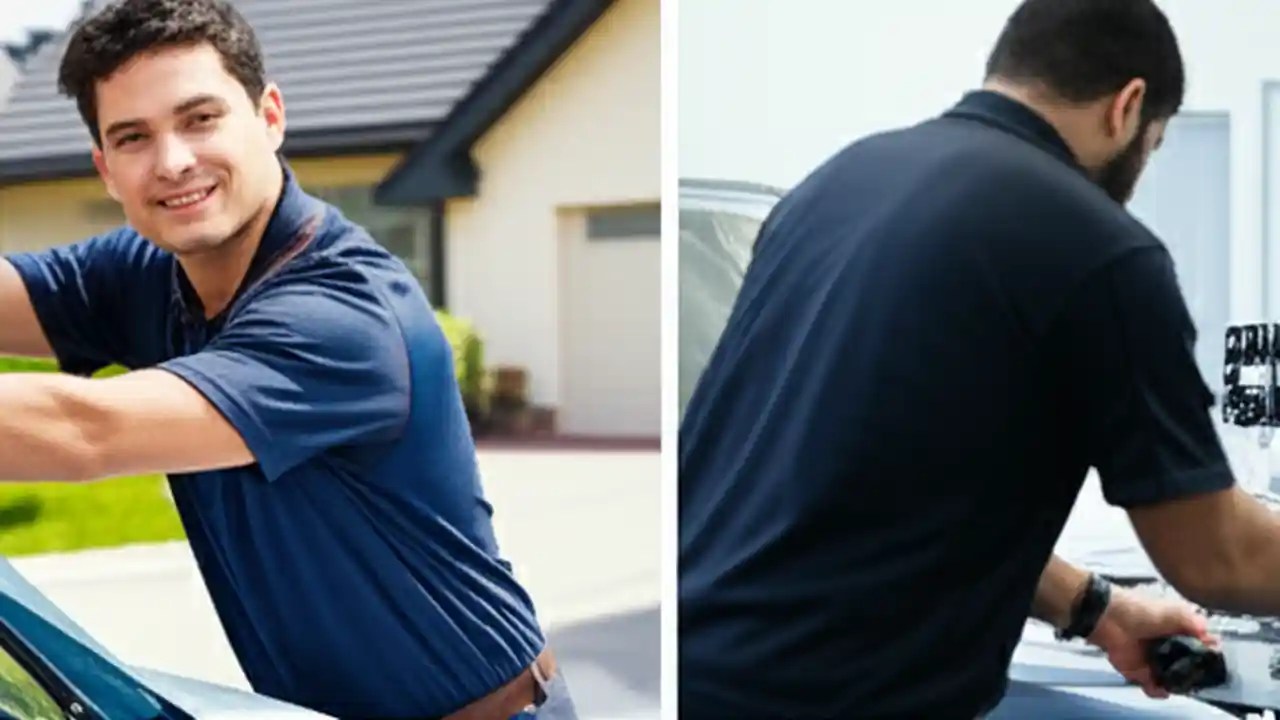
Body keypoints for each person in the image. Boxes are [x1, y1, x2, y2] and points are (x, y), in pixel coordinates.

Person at [678, 0, 1277, 718]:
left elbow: (887, 494)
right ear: (1128, 106)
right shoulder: (1103, 252)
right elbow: (1217, 556)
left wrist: (1098, 609)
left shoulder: (832, 188)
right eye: (1152, 147)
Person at [0, 1, 578, 718]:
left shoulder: (344, 312)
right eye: (133, 137)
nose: (173, 160)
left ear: (269, 116)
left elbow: (89, 431)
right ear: (106, 168)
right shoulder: (152, 272)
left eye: (200, 118)